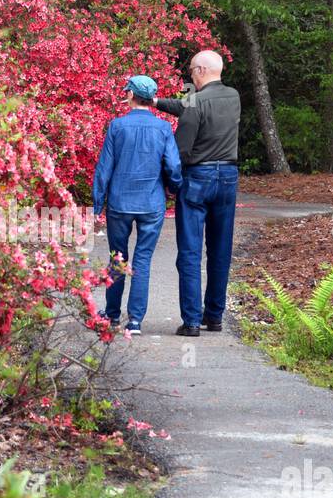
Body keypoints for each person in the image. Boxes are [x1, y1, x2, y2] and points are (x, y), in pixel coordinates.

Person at [155, 50, 240, 337]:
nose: (190, 75)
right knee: (220, 249)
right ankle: (214, 317)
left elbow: (180, 150)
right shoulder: (233, 97)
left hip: (198, 178)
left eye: (192, 70)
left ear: (201, 70)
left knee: (190, 252)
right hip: (228, 177)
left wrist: (170, 183)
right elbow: (189, 106)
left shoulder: (197, 103)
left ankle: (191, 321)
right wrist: (155, 102)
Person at [92, 75, 182, 335]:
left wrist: (98, 204)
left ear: (131, 95)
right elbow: (173, 166)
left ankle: (111, 316)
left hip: (120, 202)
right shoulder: (164, 128)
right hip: (151, 203)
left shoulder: (117, 126)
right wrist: (173, 188)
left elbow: (104, 168)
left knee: (118, 258)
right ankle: (135, 320)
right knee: (143, 260)